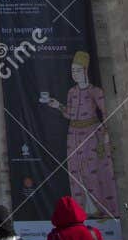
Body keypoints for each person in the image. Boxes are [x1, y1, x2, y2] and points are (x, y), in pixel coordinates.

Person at [38, 50, 118, 219]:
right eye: (73, 71)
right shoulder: (72, 92)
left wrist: (104, 136)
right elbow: (70, 114)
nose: (75, 74)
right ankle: (84, 211)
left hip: (91, 133)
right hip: (74, 134)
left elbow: (105, 113)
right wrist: (57, 105)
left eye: (77, 70)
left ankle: (103, 209)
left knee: (92, 171)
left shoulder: (95, 91)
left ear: (85, 70)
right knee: (76, 173)